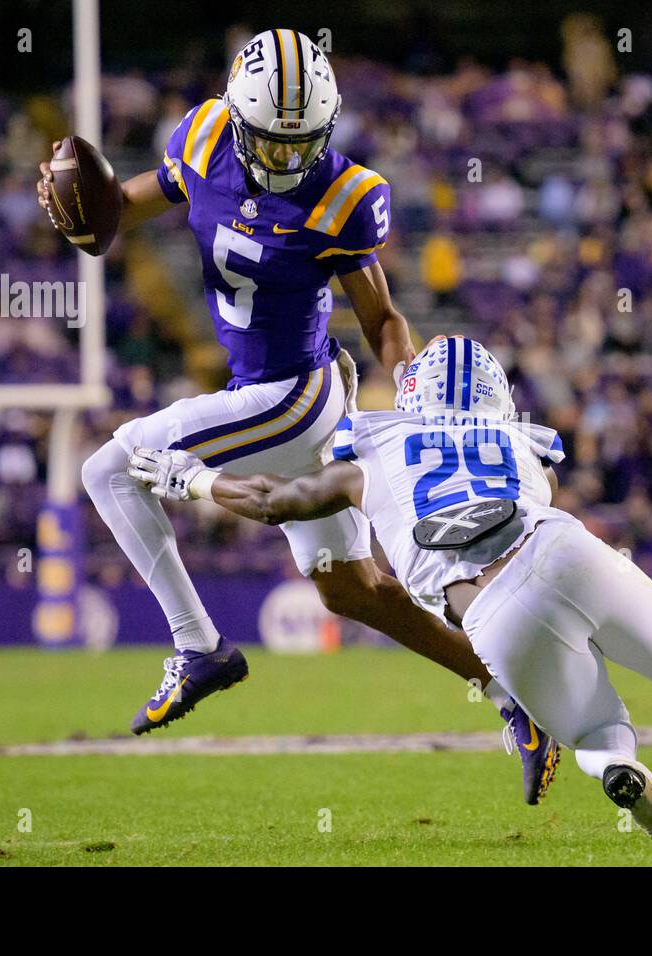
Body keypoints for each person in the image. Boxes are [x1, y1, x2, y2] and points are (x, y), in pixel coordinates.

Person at [37, 31, 557, 804]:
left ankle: (200, 648)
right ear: (237, 118)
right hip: (276, 396)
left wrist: (411, 378)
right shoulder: (206, 135)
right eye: (272, 143)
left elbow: (380, 318)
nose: (287, 160)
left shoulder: (343, 195)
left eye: (301, 143)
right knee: (352, 590)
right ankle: (514, 694)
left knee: (107, 467)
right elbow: (132, 205)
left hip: (295, 397)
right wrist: (90, 220)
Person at [126, 335, 652, 841]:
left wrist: (193, 479)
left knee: (593, 731)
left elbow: (272, 500)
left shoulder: (370, 449)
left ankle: (629, 778)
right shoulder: (518, 436)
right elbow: (544, 483)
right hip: (565, 549)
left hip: (488, 607)